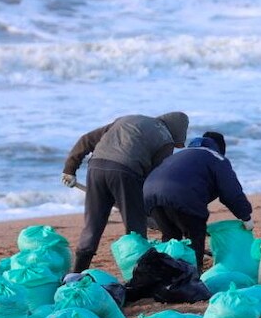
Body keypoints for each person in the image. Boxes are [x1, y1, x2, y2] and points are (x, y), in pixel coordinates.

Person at [61, 111, 189, 272]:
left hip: (96, 167)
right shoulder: (165, 139)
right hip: (127, 173)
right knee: (135, 229)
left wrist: (70, 169)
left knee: (93, 224)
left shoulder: (127, 120)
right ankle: (137, 275)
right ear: (177, 132)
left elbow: (86, 140)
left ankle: (76, 273)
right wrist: (154, 214)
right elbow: (155, 180)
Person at [143, 132, 253, 272]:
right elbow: (231, 192)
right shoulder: (217, 158)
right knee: (195, 237)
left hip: (149, 193)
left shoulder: (181, 155)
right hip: (181, 194)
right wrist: (246, 216)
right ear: (220, 148)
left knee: (171, 239)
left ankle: (170, 276)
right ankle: (195, 275)